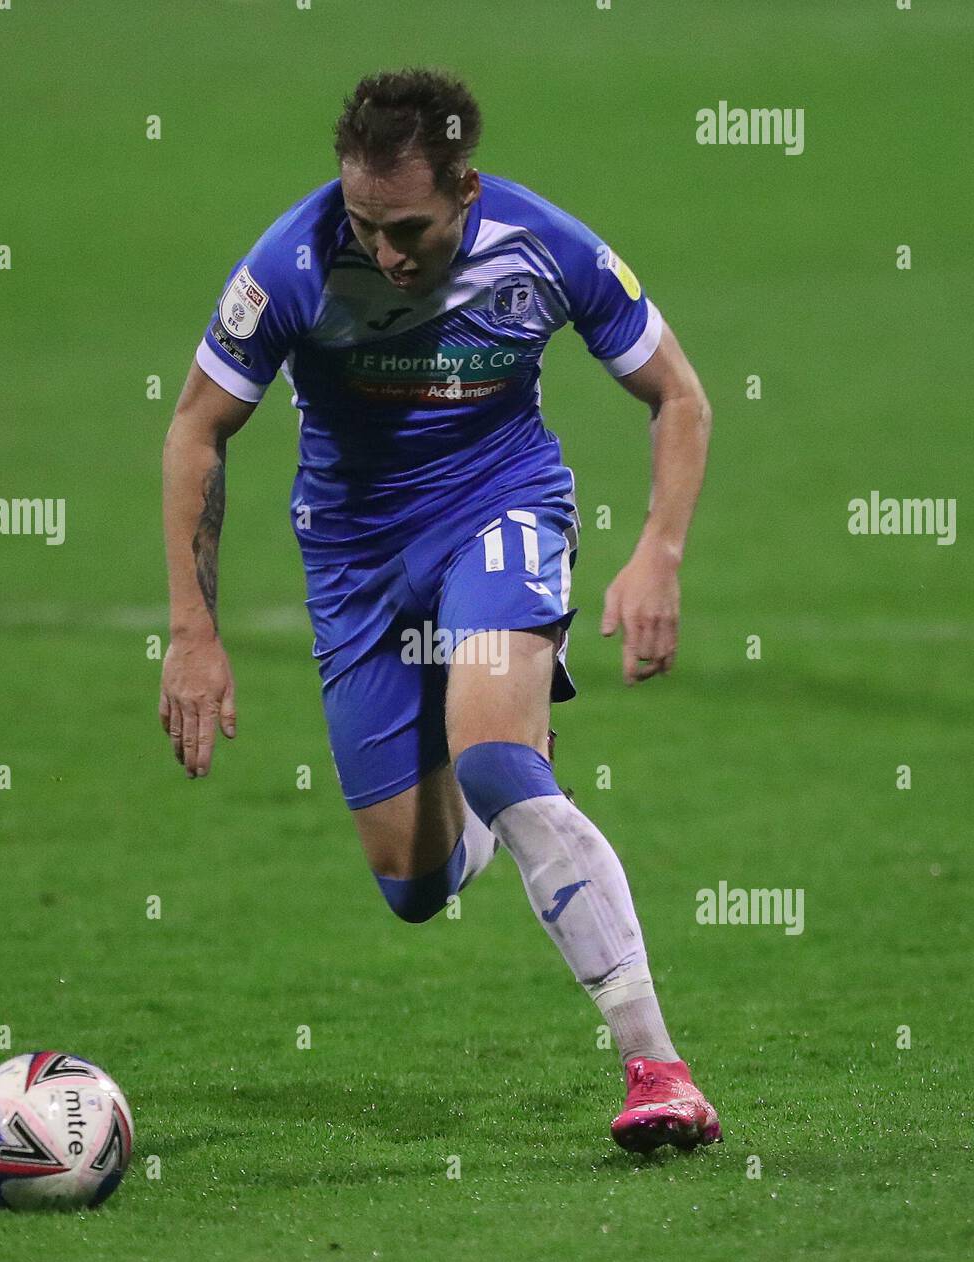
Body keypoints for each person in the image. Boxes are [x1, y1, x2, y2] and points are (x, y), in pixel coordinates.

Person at [160, 69, 720, 1153]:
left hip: (498, 508)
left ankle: (656, 1065)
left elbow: (679, 396)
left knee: (495, 758)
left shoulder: (544, 244)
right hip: (355, 558)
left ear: (463, 186)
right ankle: (501, 781)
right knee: (414, 885)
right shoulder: (291, 262)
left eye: (405, 226)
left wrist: (659, 551)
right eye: (364, 223)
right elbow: (195, 429)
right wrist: (194, 631)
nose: (382, 251)